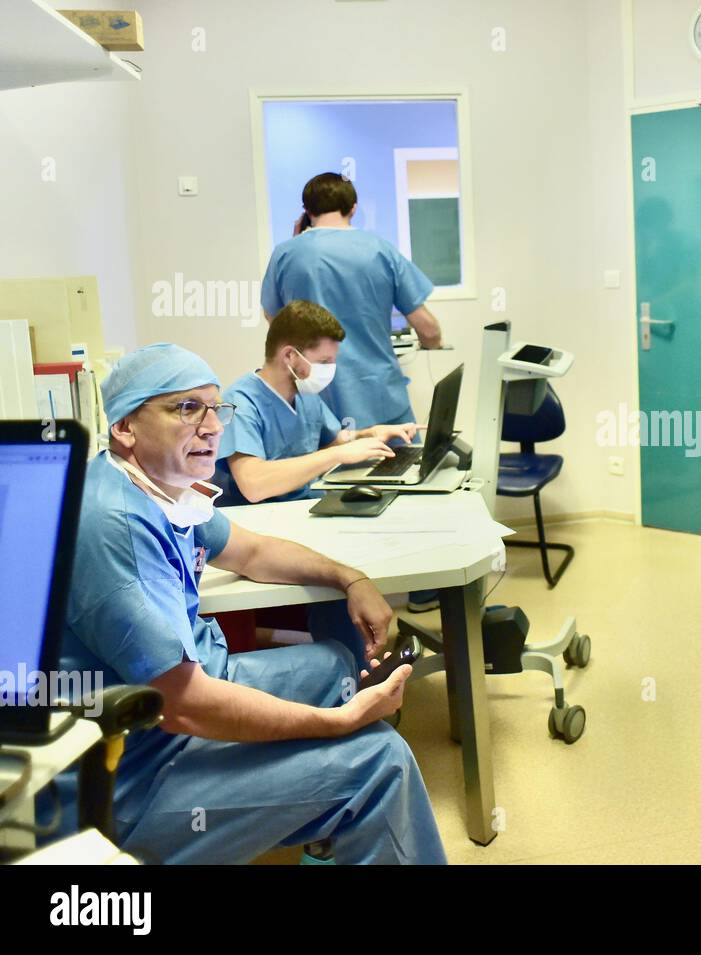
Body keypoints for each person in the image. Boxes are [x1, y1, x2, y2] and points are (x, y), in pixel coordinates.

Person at [50, 343, 446, 864]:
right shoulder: (113, 526)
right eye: (186, 408)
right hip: (125, 779)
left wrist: (351, 579)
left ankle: (327, 821)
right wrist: (338, 724)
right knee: (380, 760)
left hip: (171, 710)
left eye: (216, 408)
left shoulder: (160, 488)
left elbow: (253, 552)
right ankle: (344, 796)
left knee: (335, 664)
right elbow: (184, 705)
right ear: (125, 426)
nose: (212, 426)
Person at [261, 171, 443, 429]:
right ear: (353, 208)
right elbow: (428, 328)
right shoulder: (380, 250)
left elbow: (274, 320)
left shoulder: (286, 253)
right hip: (378, 395)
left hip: (315, 394)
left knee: (322, 465)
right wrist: (432, 342)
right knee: (399, 464)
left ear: (306, 211)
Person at [215, 299, 421, 506]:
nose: (331, 369)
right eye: (324, 362)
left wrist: (369, 434)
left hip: (305, 504)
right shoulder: (241, 403)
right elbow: (253, 485)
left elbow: (330, 440)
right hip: (260, 518)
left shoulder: (304, 392)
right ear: (289, 356)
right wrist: (338, 454)